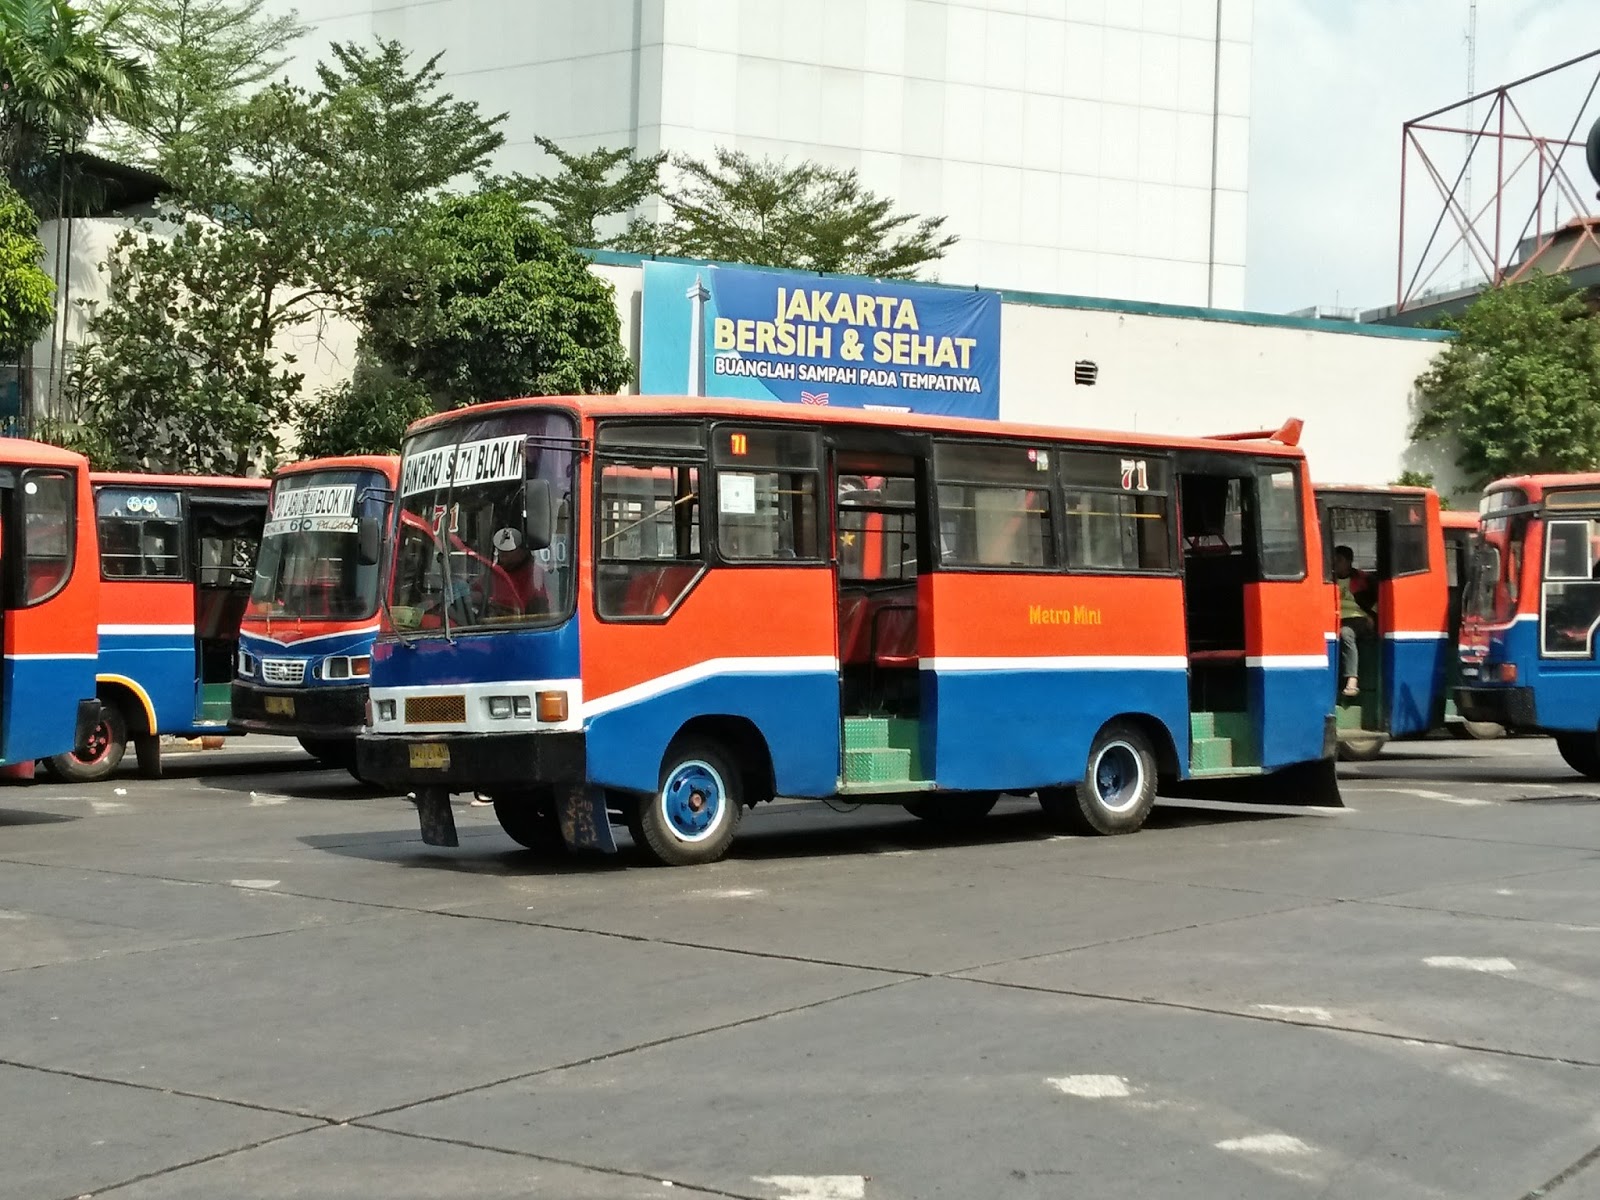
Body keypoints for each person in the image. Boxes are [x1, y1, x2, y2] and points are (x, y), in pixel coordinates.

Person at [1333, 544, 1375, 698]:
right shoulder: (1329, 579)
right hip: (1334, 618)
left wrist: (1373, 617)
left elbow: (1378, 601)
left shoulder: (1363, 579)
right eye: (1334, 560)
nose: (1335, 563)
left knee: (1345, 633)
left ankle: (1352, 680)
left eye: (1339, 560)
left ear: (1349, 561)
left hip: (1359, 618)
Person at [485, 526, 547, 617]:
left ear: (523, 550)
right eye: (501, 546)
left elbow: (538, 614)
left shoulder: (534, 574)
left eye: (510, 546)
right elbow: (478, 589)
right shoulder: (494, 573)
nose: (503, 551)